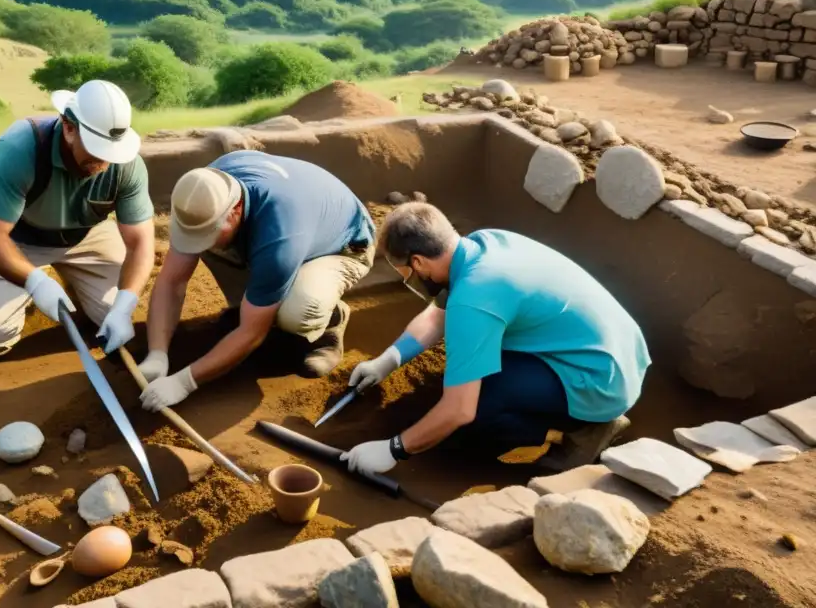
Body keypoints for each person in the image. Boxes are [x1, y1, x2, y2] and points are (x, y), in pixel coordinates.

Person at [340, 202, 650, 475]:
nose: (407, 279)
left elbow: (459, 410)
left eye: (404, 271)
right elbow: (438, 314)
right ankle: (579, 413)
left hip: (599, 382)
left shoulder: (474, 298)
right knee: (474, 370)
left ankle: (585, 428)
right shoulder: (483, 244)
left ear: (418, 262)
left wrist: (394, 449)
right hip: (615, 352)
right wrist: (389, 359)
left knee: (474, 421)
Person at [138, 150, 376, 412]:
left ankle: (330, 324)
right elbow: (172, 282)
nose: (201, 241)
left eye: (210, 230)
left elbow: (251, 333)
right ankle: (261, 304)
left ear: (236, 209)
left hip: (343, 245)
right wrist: (156, 354)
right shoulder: (202, 194)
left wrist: (183, 382)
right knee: (213, 246)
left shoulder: (280, 236)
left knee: (298, 309)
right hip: (291, 226)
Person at [0, 80, 155, 358]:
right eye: (97, 149)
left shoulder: (126, 164)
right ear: (69, 128)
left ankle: (73, 285)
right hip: (21, 240)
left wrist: (124, 306)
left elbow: (141, 243)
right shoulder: (21, 148)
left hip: (88, 237)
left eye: (112, 151)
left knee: (120, 320)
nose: (106, 163)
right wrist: (36, 282)